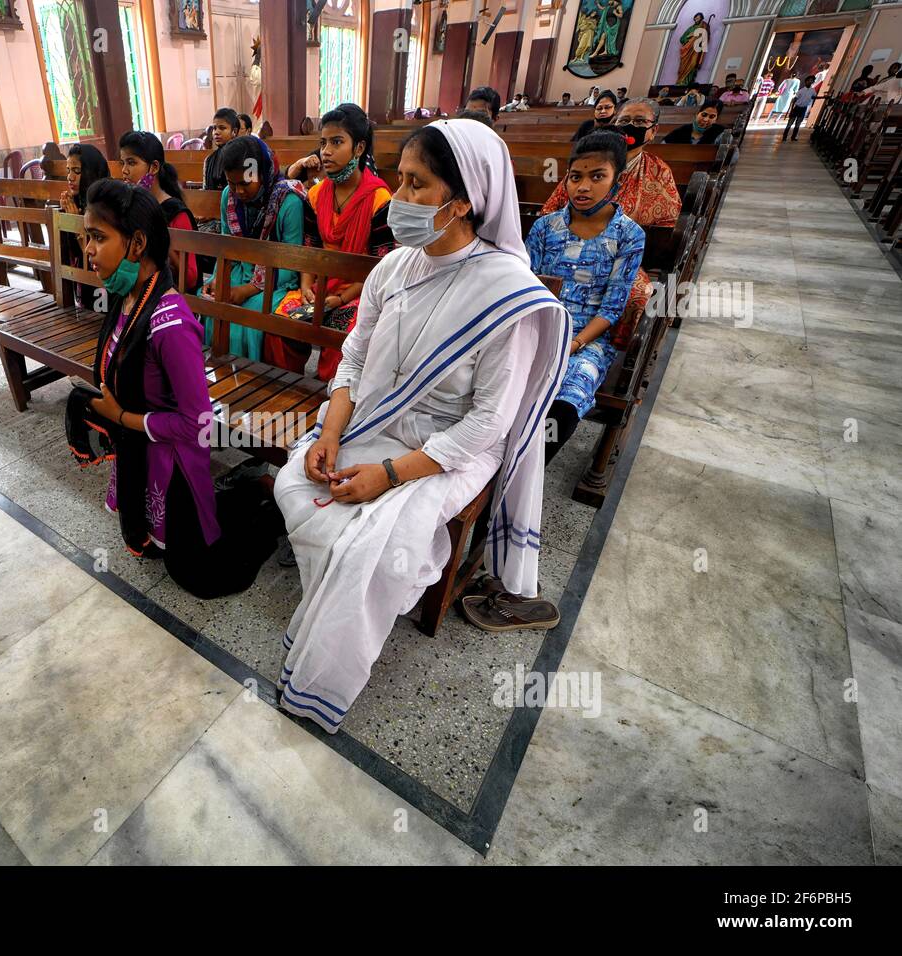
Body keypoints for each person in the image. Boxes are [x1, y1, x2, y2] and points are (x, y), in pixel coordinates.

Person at [271, 120, 569, 733]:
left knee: (372, 550)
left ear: (462, 202)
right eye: (400, 179)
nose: (399, 198)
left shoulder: (505, 295)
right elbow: (354, 358)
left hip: (450, 449)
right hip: (375, 420)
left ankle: (325, 664)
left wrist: (386, 476)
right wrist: (329, 433)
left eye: (416, 184)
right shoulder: (393, 269)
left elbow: (488, 422)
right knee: (295, 485)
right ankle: (329, 603)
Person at [75, 178, 281, 597]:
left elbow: (198, 422)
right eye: (86, 237)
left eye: (97, 237)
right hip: (142, 447)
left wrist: (122, 418)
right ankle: (246, 490)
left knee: (200, 577)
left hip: (174, 462)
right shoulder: (125, 298)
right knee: (166, 546)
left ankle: (274, 512)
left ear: (136, 244)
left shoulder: (170, 323)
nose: (88, 249)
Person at [527, 131, 644, 465]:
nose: (583, 187)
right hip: (537, 324)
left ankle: (530, 472)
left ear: (616, 182)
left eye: (597, 177)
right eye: (576, 177)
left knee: (568, 398)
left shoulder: (629, 235)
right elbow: (524, 284)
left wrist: (572, 344)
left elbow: (612, 307)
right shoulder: (545, 228)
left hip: (587, 337)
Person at [262, 105, 394, 379]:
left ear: (359, 148)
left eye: (337, 142)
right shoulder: (316, 194)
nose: (326, 151)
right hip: (320, 285)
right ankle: (285, 390)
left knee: (344, 337)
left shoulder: (380, 200)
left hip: (359, 292)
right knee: (278, 326)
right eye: (323, 143)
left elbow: (379, 268)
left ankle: (329, 403)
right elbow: (310, 249)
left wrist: (341, 298)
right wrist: (307, 286)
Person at [541, 97, 681, 351]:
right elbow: (550, 210)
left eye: (640, 122)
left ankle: (613, 350)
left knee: (637, 296)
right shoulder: (590, 162)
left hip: (620, 255)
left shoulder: (658, 171)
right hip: (568, 245)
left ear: (654, 129)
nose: (631, 127)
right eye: (625, 121)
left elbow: (666, 222)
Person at [200, 134, 306, 362]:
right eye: (231, 183)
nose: (238, 191)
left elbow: (291, 261)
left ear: (263, 173)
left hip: (277, 276)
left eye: (245, 183)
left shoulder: (288, 201)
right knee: (212, 302)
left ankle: (251, 378)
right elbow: (226, 246)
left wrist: (247, 289)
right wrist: (218, 279)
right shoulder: (228, 197)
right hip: (240, 268)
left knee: (250, 311)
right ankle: (219, 374)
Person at [119, 130, 198, 293]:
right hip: (136, 294)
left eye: (131, 163)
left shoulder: (176, 213)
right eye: (123, 163)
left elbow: (190, 279)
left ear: (154, 167)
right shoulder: (129, 207)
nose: (124, 171)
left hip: (169, 298)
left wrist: (159, 237)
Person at [58, 143, 111, 306]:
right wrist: (66, 220)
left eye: (77, 171)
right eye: (68, 170)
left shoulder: (107, 206)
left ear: (91, 172)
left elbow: (101, 260)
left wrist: (77, 225)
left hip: (106, 290)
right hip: (83, 284)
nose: (70, 177)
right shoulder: (75, 204)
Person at [203, 107, 240, 190]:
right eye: (214, 128)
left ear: (234, 131)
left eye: (222, 128)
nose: (216, 132)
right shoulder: (209, 160)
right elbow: (205, 190)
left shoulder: (242, 156)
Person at [783, 77, 817, 141]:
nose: (809, 82)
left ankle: (793, 137)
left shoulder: (813, 91)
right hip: (797, 108)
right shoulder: (801, 90)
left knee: (798, 124)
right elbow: (795, 99)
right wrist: (791, 110)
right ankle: (784, 136)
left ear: (812, 82)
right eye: (808, 81)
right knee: (790, 123)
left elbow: (814, 97)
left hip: (803, 108)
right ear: (806, 81)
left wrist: (824, 97)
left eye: (811, 81)